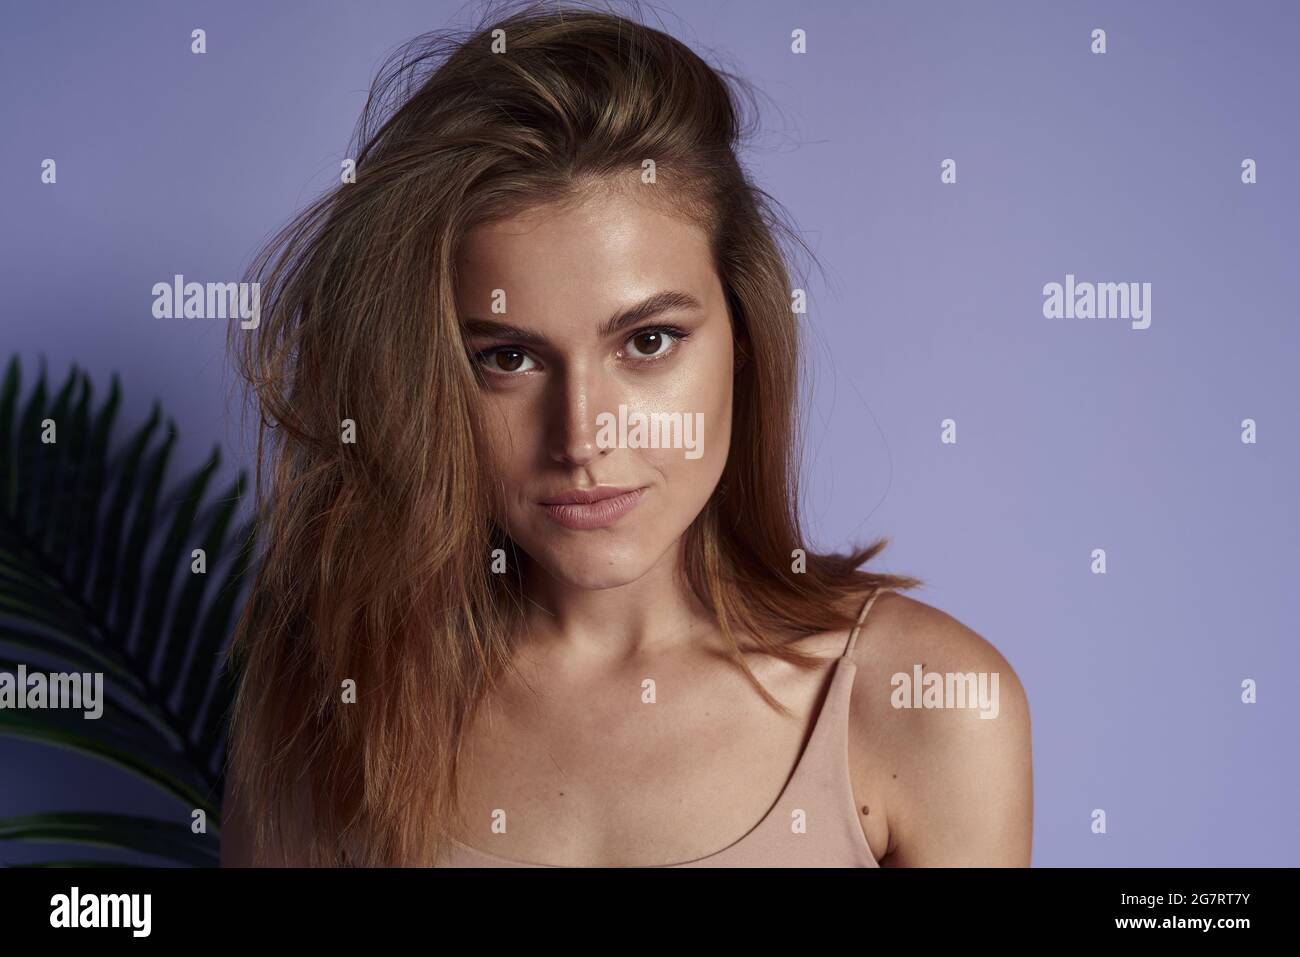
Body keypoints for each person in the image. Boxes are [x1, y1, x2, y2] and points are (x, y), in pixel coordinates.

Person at [219, 2, 1032, 868]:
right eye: (507, 357)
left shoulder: (928, 706)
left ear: (745, 342)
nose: (582, 436)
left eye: (648, 341)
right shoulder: (336, 700)